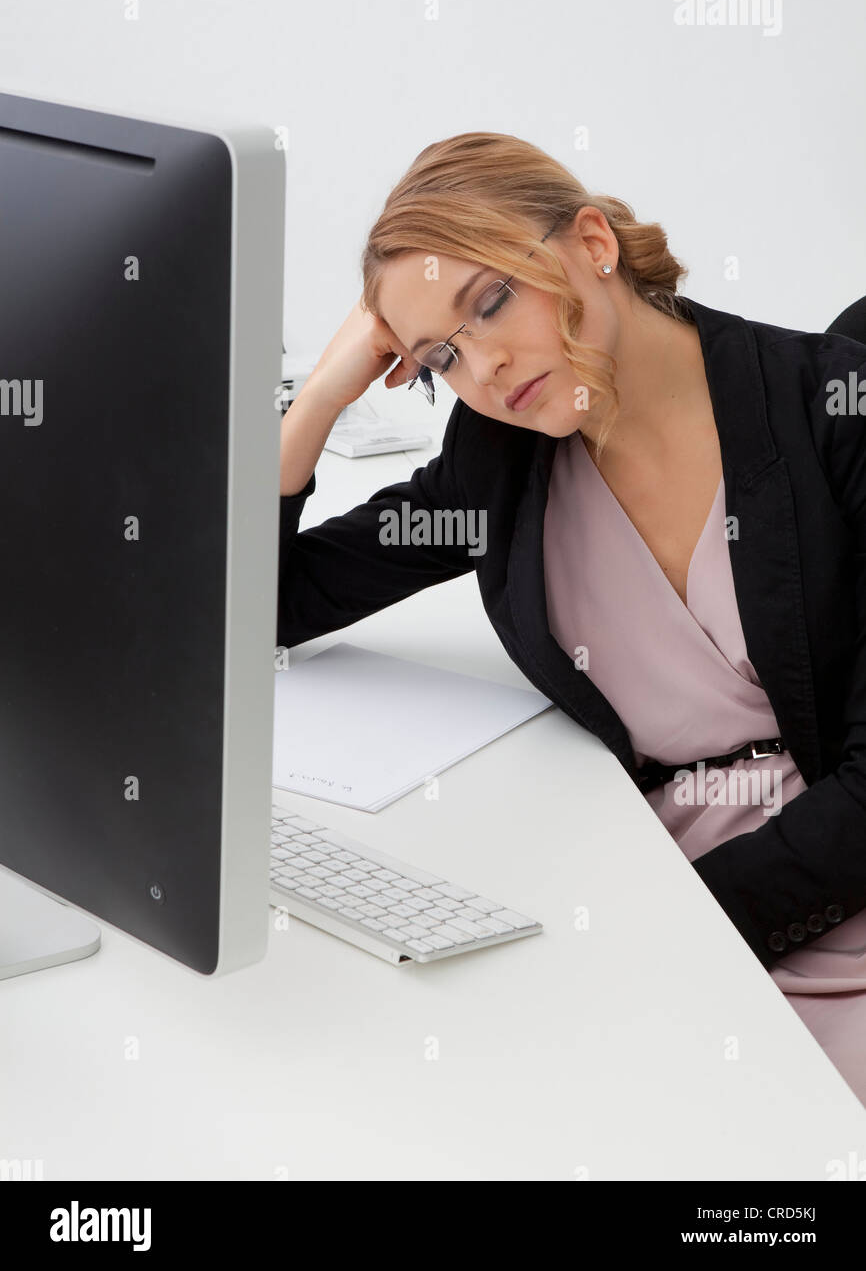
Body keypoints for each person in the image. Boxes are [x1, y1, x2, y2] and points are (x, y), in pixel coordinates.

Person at [277, 131, 866, 1107]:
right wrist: (321, 397)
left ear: (591, 240)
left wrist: (671, 940)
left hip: (812, 886)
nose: (485, 366)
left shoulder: (824, 415)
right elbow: (275, 600)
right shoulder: (501, 461)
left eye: (491, 301)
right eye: (440, 357)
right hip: (656, 874)